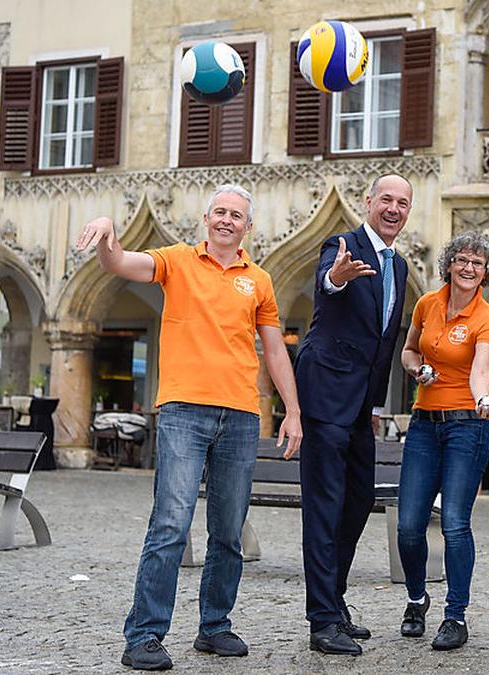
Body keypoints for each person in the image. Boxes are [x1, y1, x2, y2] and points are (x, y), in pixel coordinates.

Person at [76, 184, 304, 671]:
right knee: (171, 525)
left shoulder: (258, 280)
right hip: (183, 411)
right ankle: (145, 635)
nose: (227, 220)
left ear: (247, 226)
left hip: (241, 415)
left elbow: (275, 349)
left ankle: (214, 627)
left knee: (228, 531)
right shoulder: (176, 260)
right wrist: (108, 235)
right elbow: (119, 264)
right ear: (206, 219)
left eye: (236, 215)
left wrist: (293, 410)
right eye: (219, 212)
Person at [294, 173, 412, 656]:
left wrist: (374, 406)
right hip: (324, 397)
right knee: (324, 509)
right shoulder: (342, 243)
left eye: (402, 202)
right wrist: (336, 277)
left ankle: (334, 601)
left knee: (359, 499)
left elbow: (382, 342)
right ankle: (322, 622)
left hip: (361, 406)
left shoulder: (399, 266)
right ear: (368, 202)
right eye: (386, 199)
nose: (393, 208)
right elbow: (328, 283)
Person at [396, 232, 489, 651]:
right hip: (424, 423)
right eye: (462, 260)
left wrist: (483, 398)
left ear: (487, 272)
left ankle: (455, 616)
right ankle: (416, 599)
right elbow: (408, 351)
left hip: (467, 426)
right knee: (408, 527)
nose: (468, 268)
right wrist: (417, 369)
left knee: (455, 524)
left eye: (478, 263)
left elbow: (481, 368)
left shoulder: (487, 317)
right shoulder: (427, 304)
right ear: (449, 264)